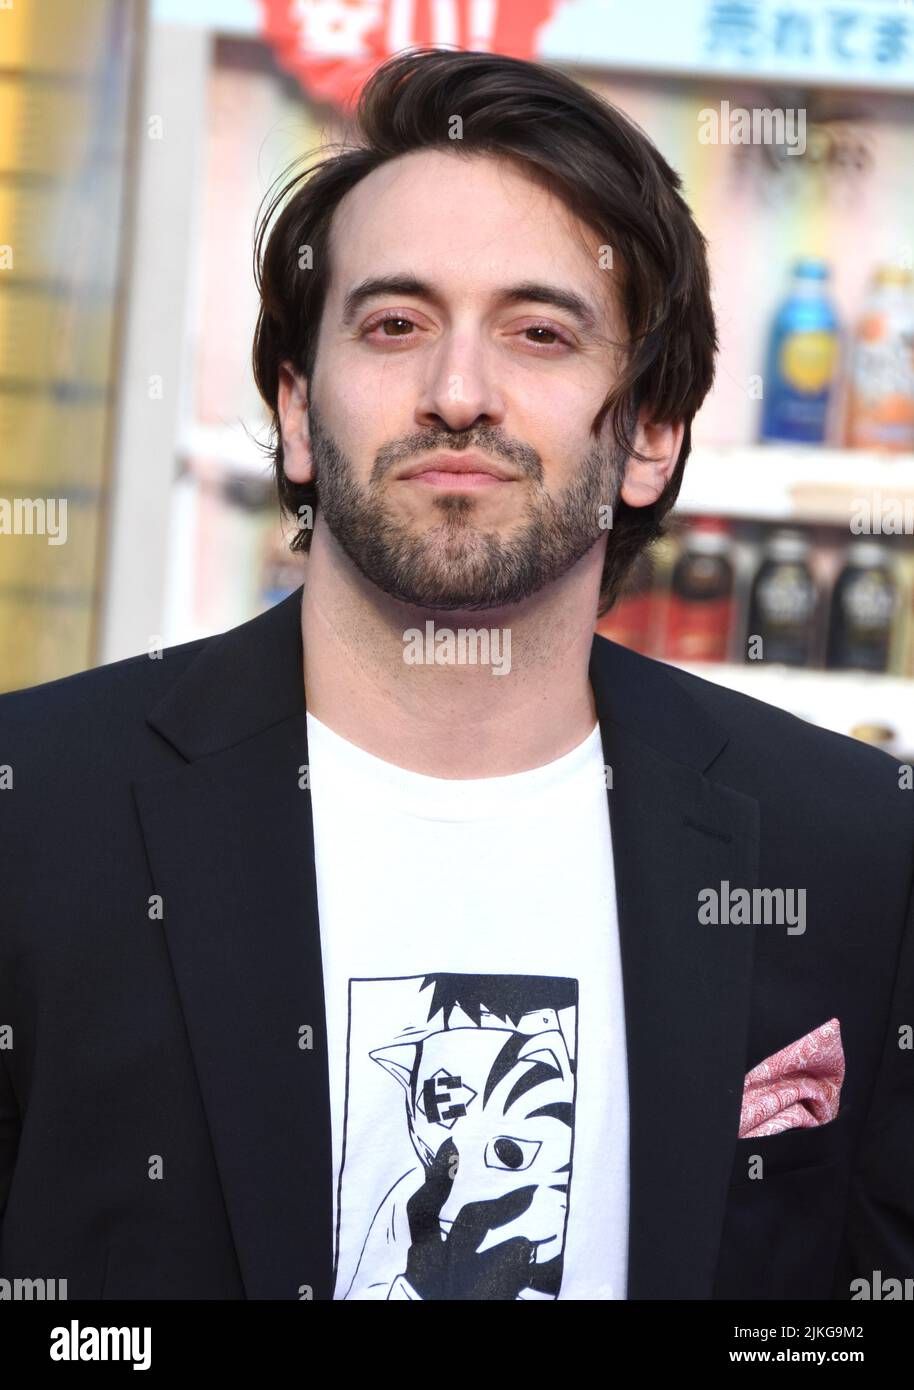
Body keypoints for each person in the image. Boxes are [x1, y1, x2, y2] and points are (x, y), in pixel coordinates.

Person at [0, 47, 911, 1302]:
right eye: (393, 324)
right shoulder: (35, 811)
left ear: (649, 434)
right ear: (298, 412)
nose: (456, 393)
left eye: (539, 332)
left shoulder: (853, 849)